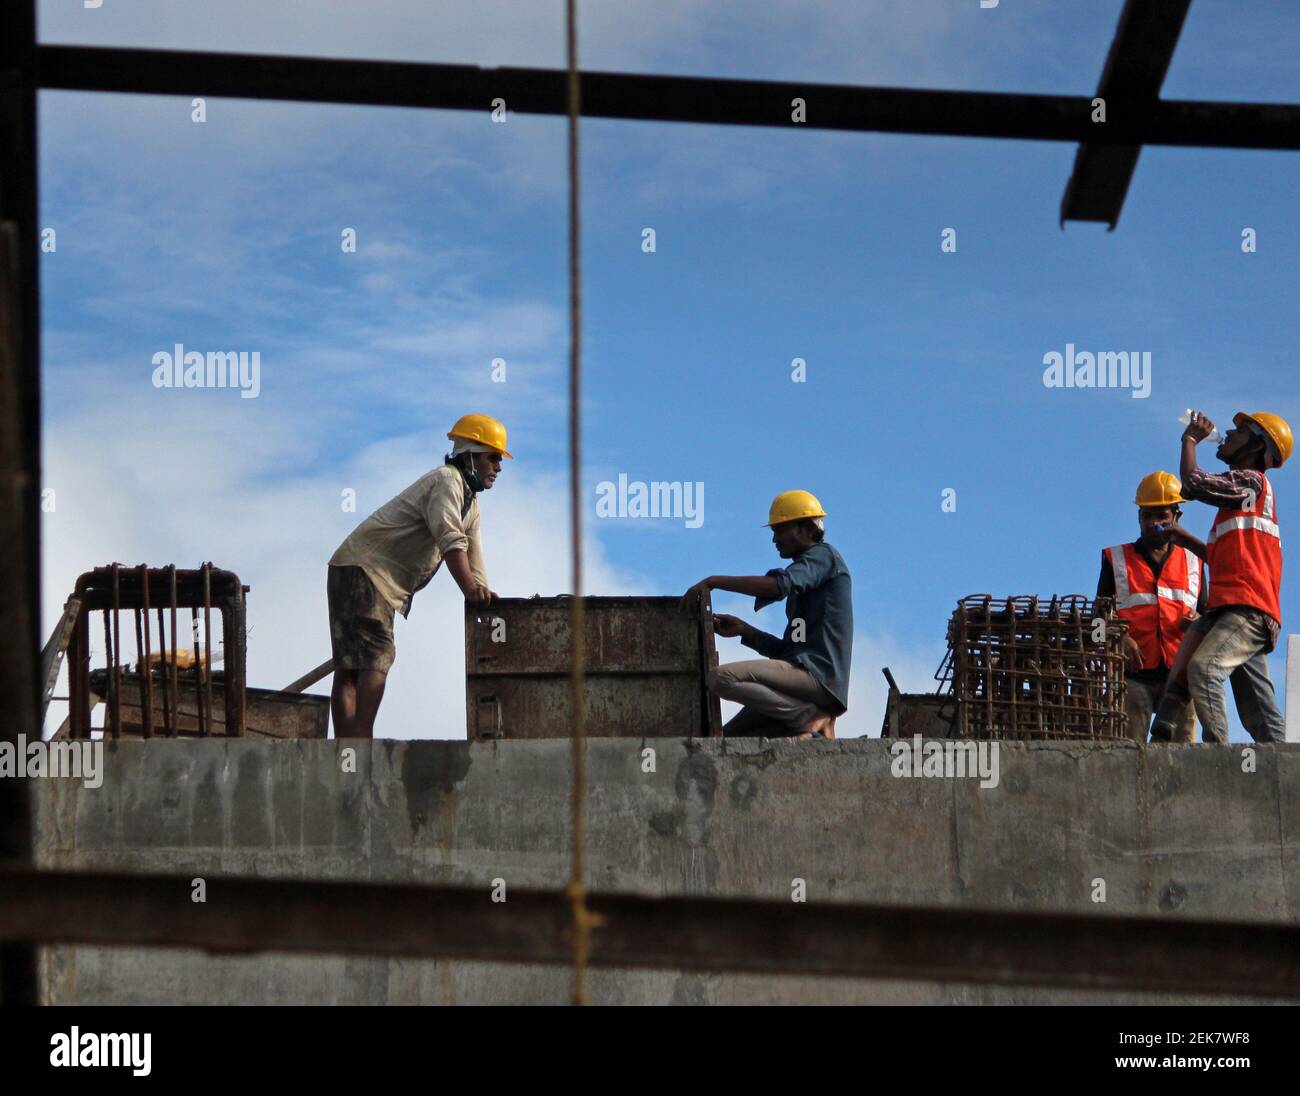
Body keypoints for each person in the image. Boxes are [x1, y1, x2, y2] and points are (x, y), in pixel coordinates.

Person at [326, 413, 509, 737]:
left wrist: (481, 591)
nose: (498, 467)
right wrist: (469, 590)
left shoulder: (471, 503)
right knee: (371, 658)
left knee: (356, 662)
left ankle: (349, 747)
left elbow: (472, 552)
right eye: (493, 458)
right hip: (362, 570)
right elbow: (451, 540)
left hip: (375, 580)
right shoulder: (447, 482)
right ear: (470, 454)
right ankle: (356, 745)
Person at [1151, 410, 1291, 744]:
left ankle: (1219, 759)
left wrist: (1190, 439)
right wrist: (1183, 539)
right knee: (1259, 708)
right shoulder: (1237, 504)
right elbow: (1221, 557)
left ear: (1258, 447)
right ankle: (1288, 774)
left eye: (1240, 432)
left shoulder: (1252, 482)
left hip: (1247, 609)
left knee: (1204, 668)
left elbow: (1193, 482)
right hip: (1231, 609)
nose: (1228, 434)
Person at [682, 490, 852, 739]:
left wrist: (714, 581)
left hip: (819, 678)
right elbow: (788, 652)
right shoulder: (805, 587)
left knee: (721, 679)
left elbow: (777, 586)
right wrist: (745, 631)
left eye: (781, 529)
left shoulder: (823, 557)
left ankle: (807, 717)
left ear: (806, 529)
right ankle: (809, 719)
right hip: (804, 680)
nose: (775, 539)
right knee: (725, 739)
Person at [1096, 471, 1205, 743]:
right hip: (1134, 677)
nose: (1153, 523)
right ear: (1139, 517)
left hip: (1180, 678)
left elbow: (1211, 617)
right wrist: (1119, 638)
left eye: (1162, 515)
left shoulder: (1195, 562)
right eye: (1147, 515)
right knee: (1128, 749)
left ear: (1176, 518)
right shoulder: (1116, 559)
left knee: (1185, 753)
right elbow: (1096, 622)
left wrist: (1199, 620)